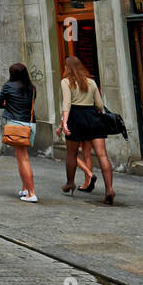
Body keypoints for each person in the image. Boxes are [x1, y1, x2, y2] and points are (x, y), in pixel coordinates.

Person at [58, 56, 115, 205]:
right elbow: (100, 105)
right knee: (102, 154)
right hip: (92, 117)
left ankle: (70, 183)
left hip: (75, 118)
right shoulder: (91, 82)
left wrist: (64, 123)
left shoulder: (66, 82)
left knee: (71, 153)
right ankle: (109, 189)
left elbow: (67, 103)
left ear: (67, 68)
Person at [0, 63, 38, 202]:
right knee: (21, 158)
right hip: (30, 124)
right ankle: (25, 188)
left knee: (23, 159)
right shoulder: (31, 88)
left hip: (16, 124)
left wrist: (7, 103)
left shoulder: (8, 86)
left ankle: (31, 193)